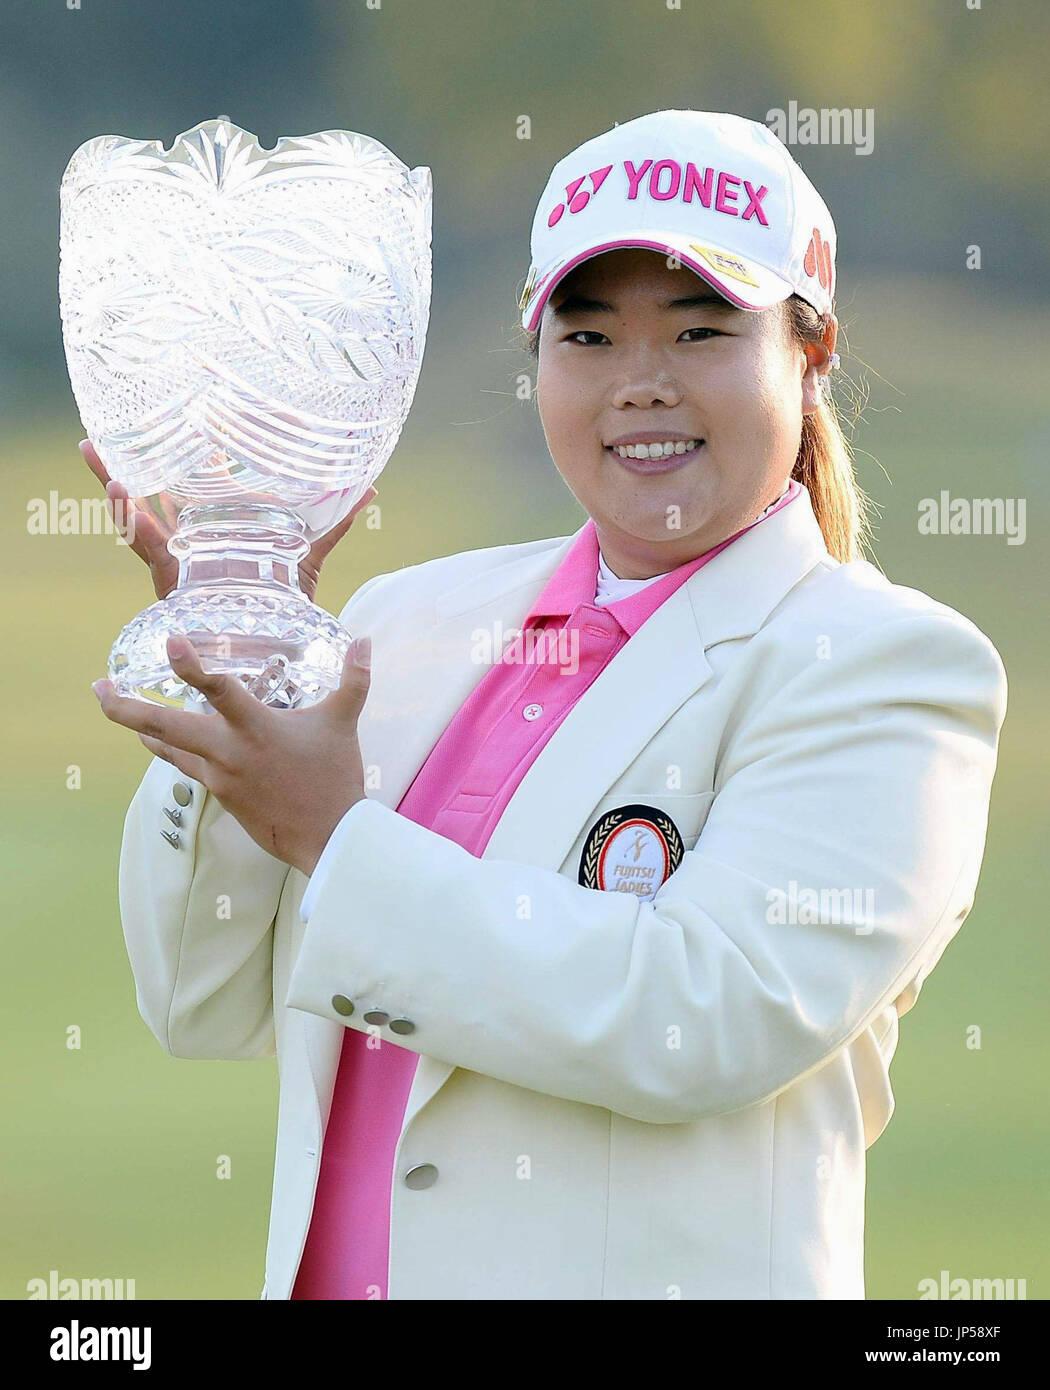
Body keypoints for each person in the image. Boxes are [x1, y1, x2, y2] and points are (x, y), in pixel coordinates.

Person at [88, 109, 1007, 1300]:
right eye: (587, 334)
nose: (640, 384)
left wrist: (332, 836)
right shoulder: (407, 621)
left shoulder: (888, 665)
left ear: (812, 353)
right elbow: (195, 999)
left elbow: (702, 1014)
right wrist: (244, 661)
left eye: (700, 329)